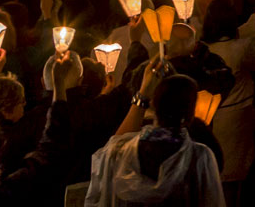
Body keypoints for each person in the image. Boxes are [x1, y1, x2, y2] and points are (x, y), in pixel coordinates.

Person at [88, 66, 227, 207]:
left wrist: (142, 95)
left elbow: (108, 155)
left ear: (152, 100)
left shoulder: (124, 150)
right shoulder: (200, 153)